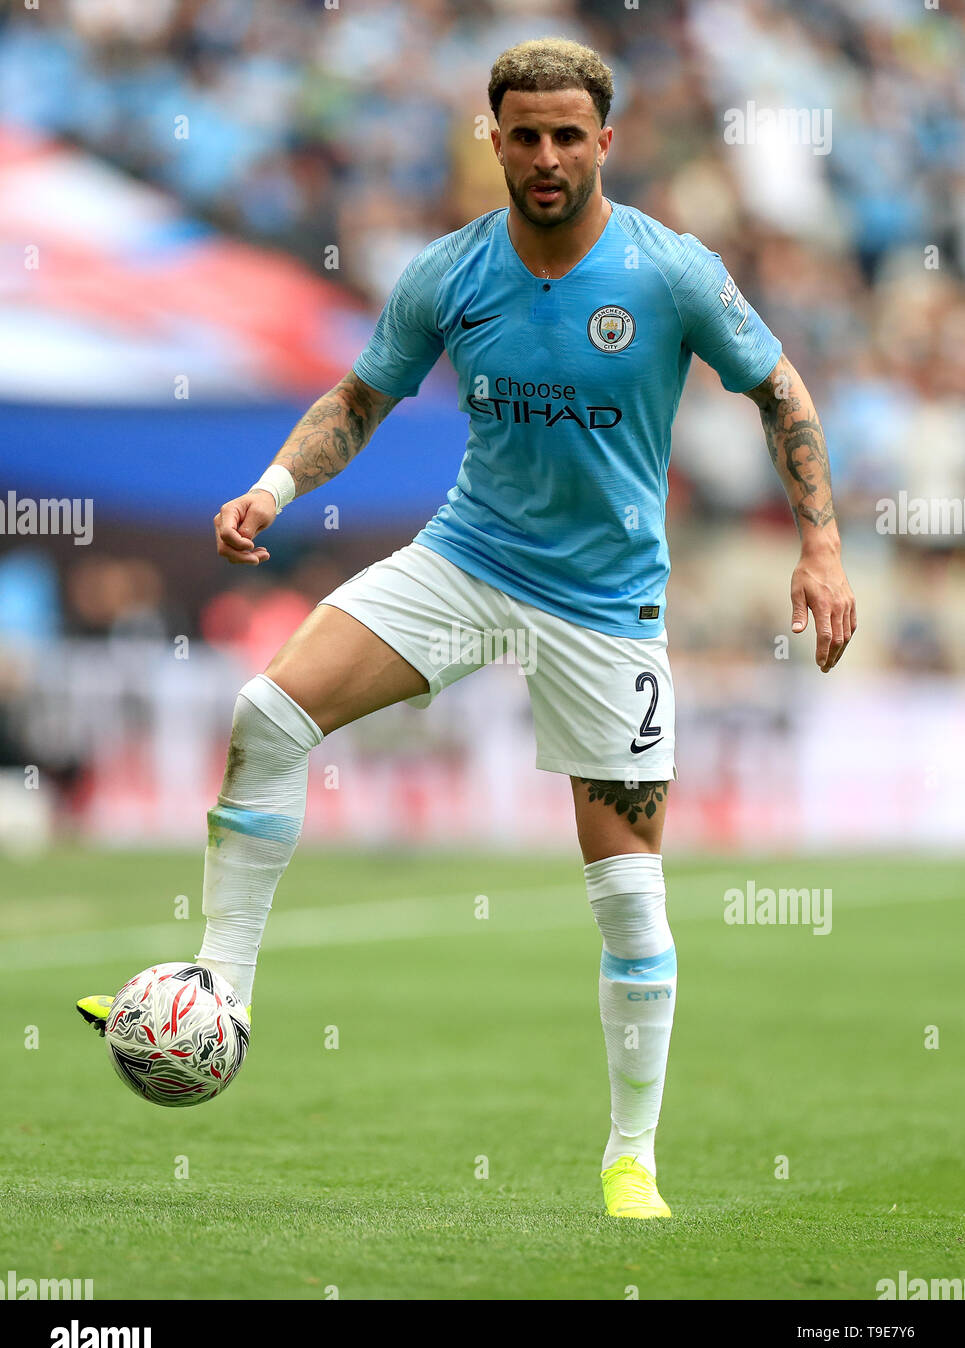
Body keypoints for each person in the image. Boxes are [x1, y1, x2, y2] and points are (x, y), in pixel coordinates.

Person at [79, 37, 856, 1220]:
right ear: (490, 140)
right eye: (522, 135)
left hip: (604, 605)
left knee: (630, 900)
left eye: (566, 136)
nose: (544, 157)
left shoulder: (671, 270)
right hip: (468, 557)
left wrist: (820, 545)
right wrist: (272, 491)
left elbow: (777, 386)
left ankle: (629, 1157)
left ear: (604, 140)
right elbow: (359, 398)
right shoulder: (449, 272)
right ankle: (222, 993)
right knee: (266, 713)